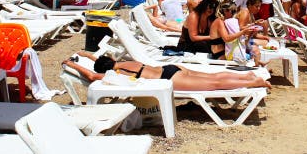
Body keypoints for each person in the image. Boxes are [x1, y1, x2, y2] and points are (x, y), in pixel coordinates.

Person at [62, 52, 270, 90]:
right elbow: (100, 60)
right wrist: (87, 55)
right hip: (171, 68)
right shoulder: (124, 62)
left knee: (214, 84)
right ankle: (246, 76)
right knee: (213, 76)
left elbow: (91, 75)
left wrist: (72, 64)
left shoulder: (114, 73)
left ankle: (253, 82)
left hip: (168, 77)